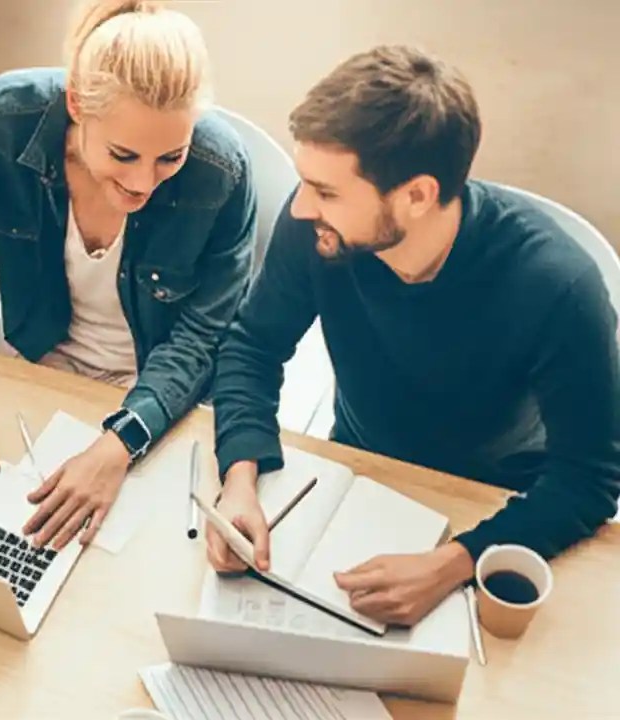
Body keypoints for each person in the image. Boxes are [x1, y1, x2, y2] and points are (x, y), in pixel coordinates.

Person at [209, 45, 620, 626]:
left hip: (498, 504)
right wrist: (239, 477)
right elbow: (252, 348)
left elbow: (588, 479)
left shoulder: (559, 285)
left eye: (326, 191)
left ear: (417, 196)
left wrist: (453, 564)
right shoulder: (318, 234)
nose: (301, 208)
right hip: (357, 469)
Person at [0, 0, 256, 551]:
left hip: (155, 388)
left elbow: (202, 338)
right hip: (29, 354)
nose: (144, 183)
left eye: (171, 157)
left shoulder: (221, 173)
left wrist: (118, 446)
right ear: (75, 104)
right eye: (124, 153)